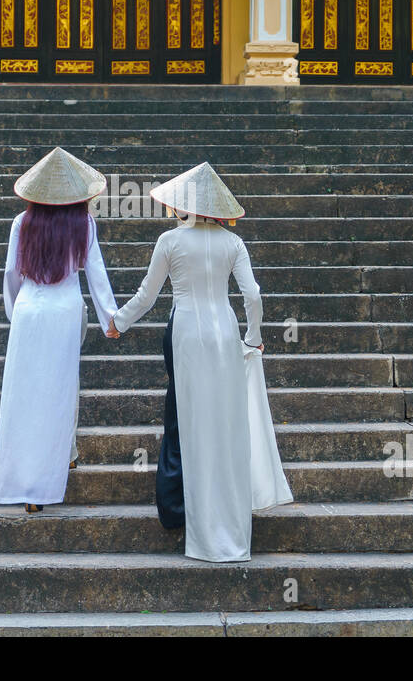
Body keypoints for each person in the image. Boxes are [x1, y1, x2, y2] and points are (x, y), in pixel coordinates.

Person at [109, 162, 292, 562]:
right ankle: (229, 516)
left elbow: (147, 295)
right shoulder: (233, 244)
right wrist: (254, 338)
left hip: (187, 332)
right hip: (225, 331)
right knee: (224, 422)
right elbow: (253, 296)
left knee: (186, 417)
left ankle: (181, 508)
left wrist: (118, 322)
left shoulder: (170, 241)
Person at [0, 147, 117, 514]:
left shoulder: (22, 223)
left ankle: (26, 484)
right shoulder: (84, 224)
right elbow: (96, 274)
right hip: (65, 311)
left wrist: (15, 312)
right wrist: (111, 317)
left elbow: (12, 275)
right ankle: (53, 472)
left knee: (25, 396)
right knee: (59, 392)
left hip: (30, 309)